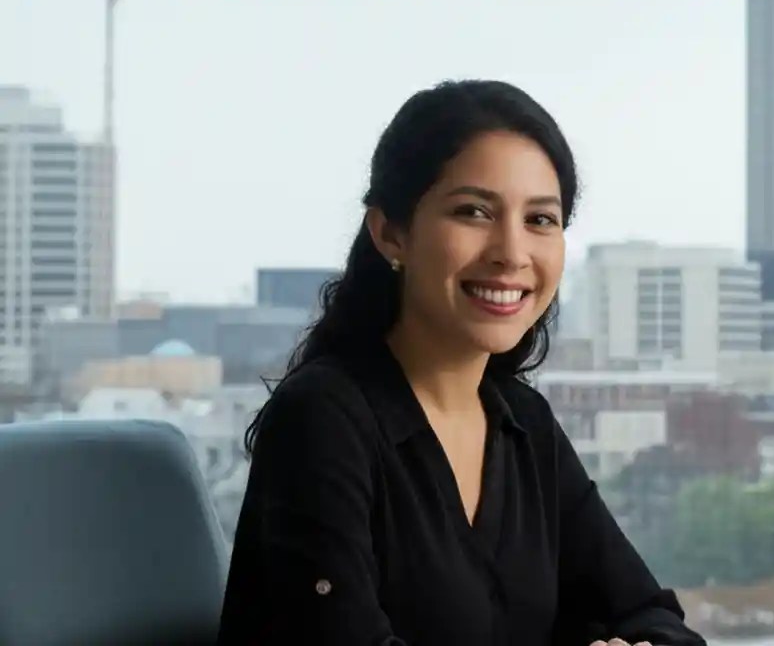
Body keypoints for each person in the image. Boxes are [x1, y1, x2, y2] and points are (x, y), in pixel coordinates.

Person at [216, 80, 706, 646]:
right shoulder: (322, 419)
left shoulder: (523, 424)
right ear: (391, 233)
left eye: (540, 220)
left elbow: (651, 614)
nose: (512, 252)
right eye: (474, 211)